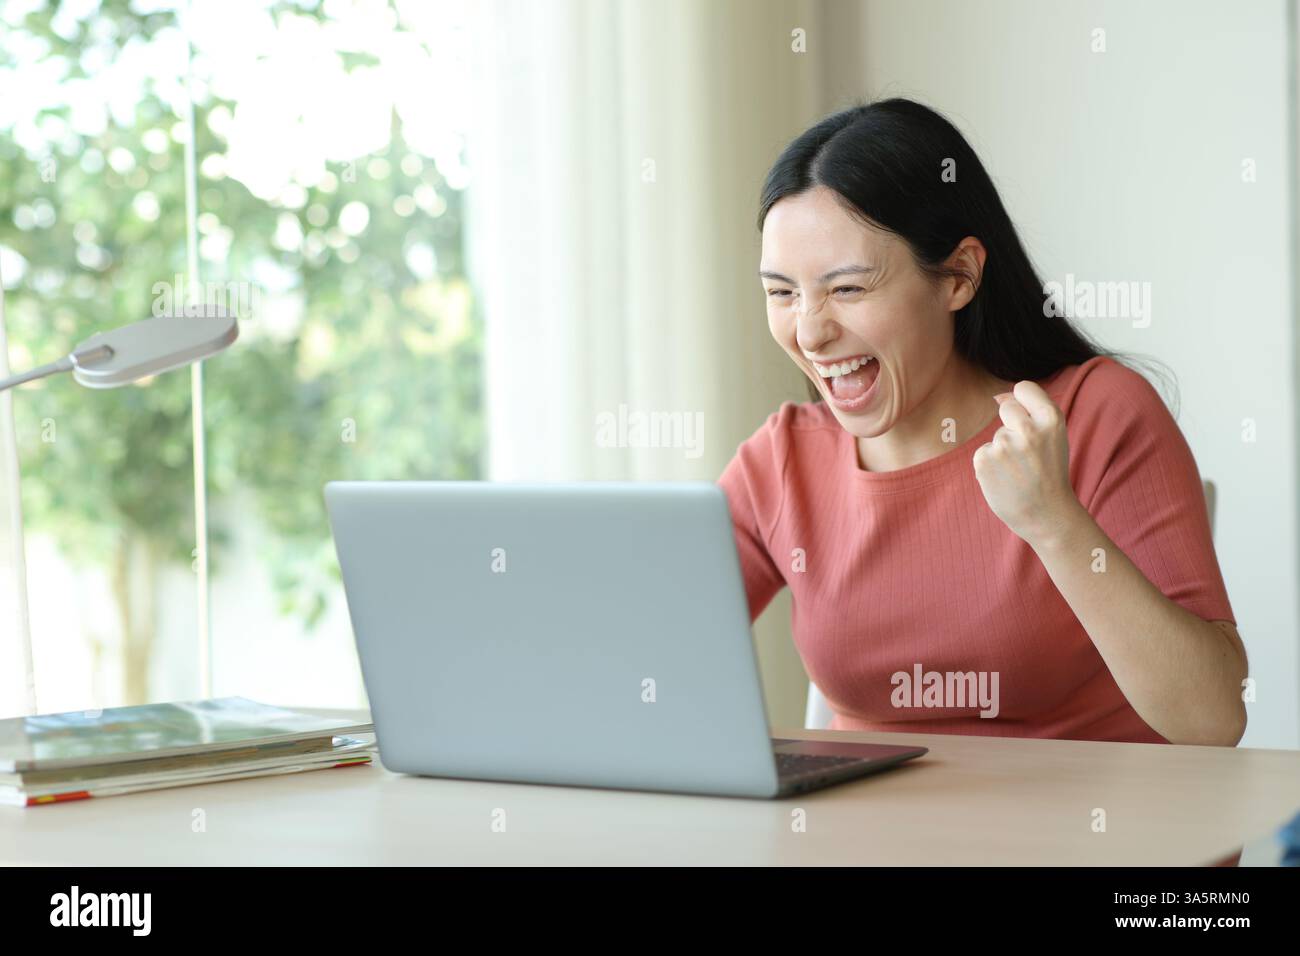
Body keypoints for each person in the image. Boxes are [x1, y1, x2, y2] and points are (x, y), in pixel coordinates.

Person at [722, 98, 1246, 745]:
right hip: (869, 842)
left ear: (959, 276)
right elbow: (644, 653)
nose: (810, 330)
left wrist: (1053, 521)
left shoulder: (1096, 415)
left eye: (848, 289)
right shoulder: (781, 462)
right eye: (782, 292)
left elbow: (1214, 721)